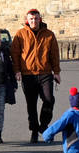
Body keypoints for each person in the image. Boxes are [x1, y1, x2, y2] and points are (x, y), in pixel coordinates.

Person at [10, 8, 61, 143]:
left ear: (40, 19)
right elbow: (14, 54)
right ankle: (34, 129)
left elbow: (54, 54)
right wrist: (17, 70)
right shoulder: (20, 34)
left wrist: (56, 72)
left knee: (49, 100)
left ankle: (43, 126)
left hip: (45, 73)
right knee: (31, 104)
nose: (34, 21)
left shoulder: (49, 35)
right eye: (31, 19)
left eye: (36, 18)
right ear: (27, 20)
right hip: (28, 74)